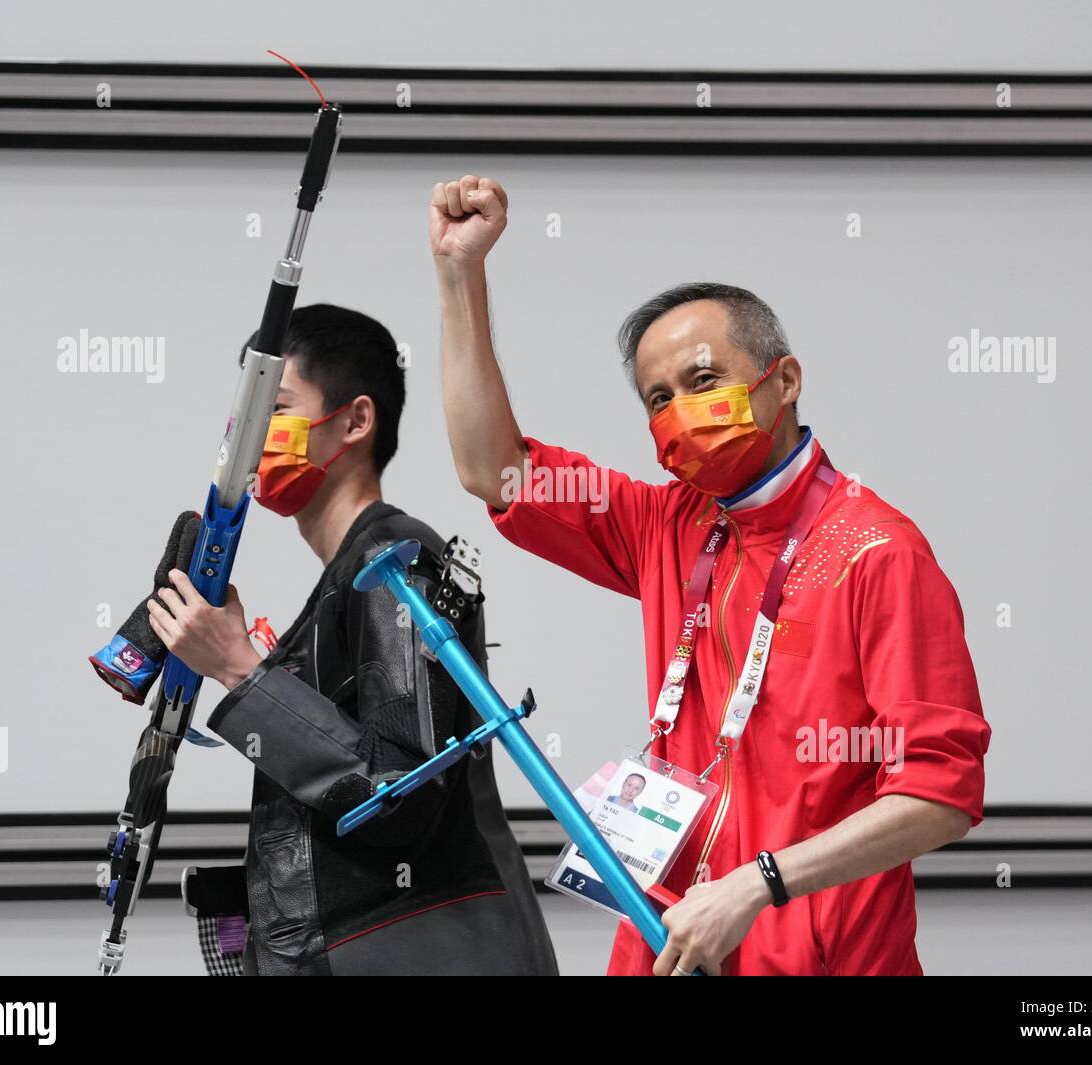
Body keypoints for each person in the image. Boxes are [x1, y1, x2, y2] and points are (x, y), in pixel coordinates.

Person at [429, 174, 991, 977]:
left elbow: (940, 794)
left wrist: (760, 885)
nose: (680, 411)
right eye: (658, 398)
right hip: (666, 951)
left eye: (702, 381)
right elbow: (497, 471)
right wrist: (460, 275)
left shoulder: (878, 552)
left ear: (784, 380)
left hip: (820, 958)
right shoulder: (670, 524)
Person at [146, 303, 558, 976]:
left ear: (355, 420)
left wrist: (240, 670)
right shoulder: (344, 582)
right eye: (243, 417)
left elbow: (398, 789)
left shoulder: (395, 559)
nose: (250, 439)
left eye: (274, 410)